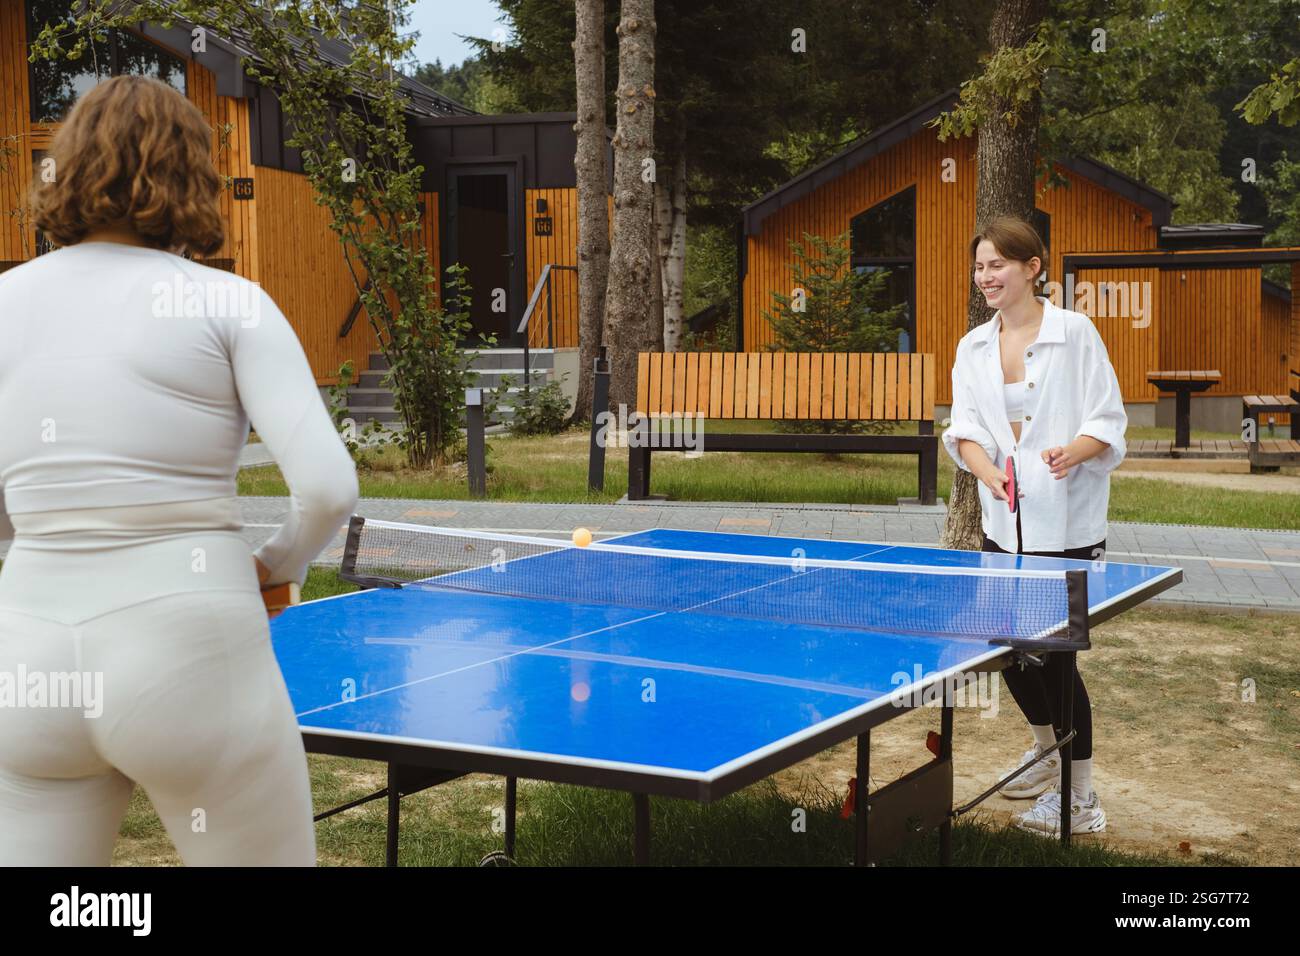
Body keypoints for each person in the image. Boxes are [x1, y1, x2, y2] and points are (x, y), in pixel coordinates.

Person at [0, 75, 358, 865]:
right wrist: (272, 568)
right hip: (193, 645)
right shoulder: (229, 302)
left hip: (27, 660)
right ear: (192, 173)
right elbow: (330, 490)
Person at [941, 215, 1128, 836]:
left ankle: (1082, 797)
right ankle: (1049, 757)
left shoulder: (1075, 332)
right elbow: (963, 430)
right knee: (1013, 651)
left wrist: (1073, 452)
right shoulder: (972, 346)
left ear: (1032, 268)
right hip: (1004, 526)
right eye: (979, 266)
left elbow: (1108, 417)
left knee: (1056, 659)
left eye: (997, 264)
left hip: (1068, 528)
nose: (985, 276)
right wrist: (987, 472)